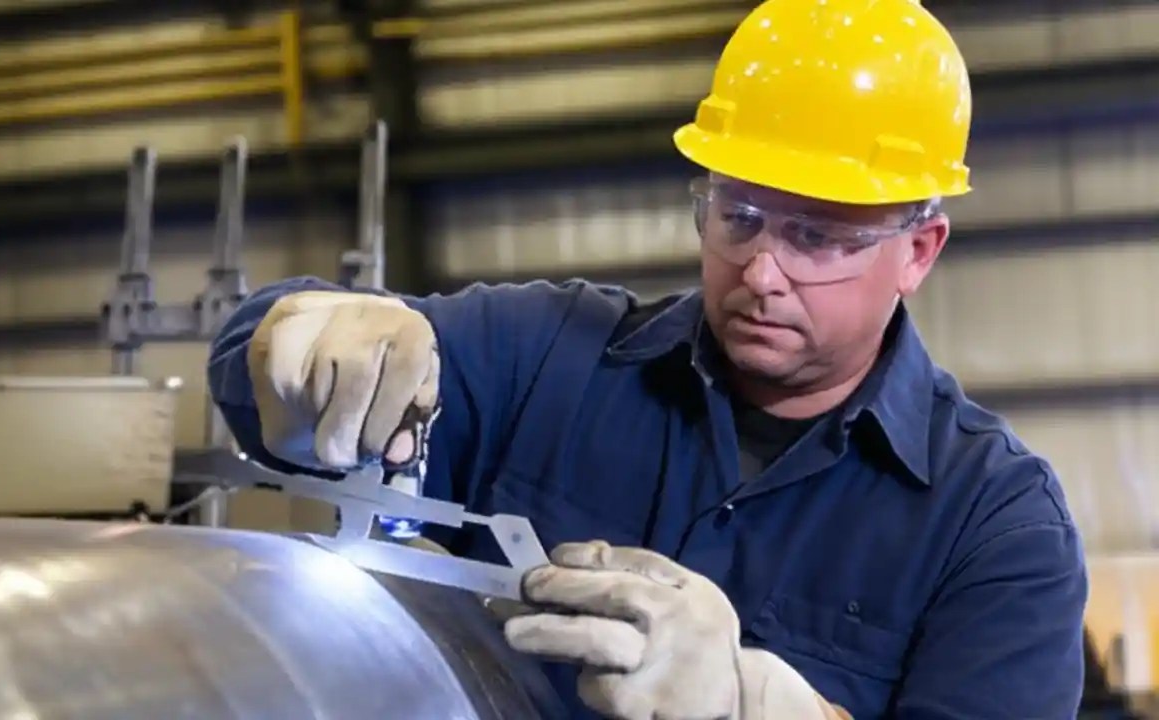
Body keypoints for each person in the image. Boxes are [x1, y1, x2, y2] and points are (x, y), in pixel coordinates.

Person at [207, 0, 1088, 717]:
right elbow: (260, 355)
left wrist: (756, 706)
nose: (761, 270)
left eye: (817, 236)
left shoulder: (996, 530)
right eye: (737, 215)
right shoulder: (549, 359)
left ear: (920, 250)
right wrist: (291, 343)